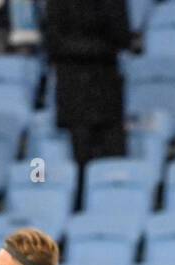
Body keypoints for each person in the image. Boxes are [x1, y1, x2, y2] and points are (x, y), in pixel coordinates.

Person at [44, 0, 130, 167]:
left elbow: (122, 37)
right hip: (76, 94)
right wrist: (96, 48)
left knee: (112, 164)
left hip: (105, 94)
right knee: (81, 161)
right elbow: (53, 43)